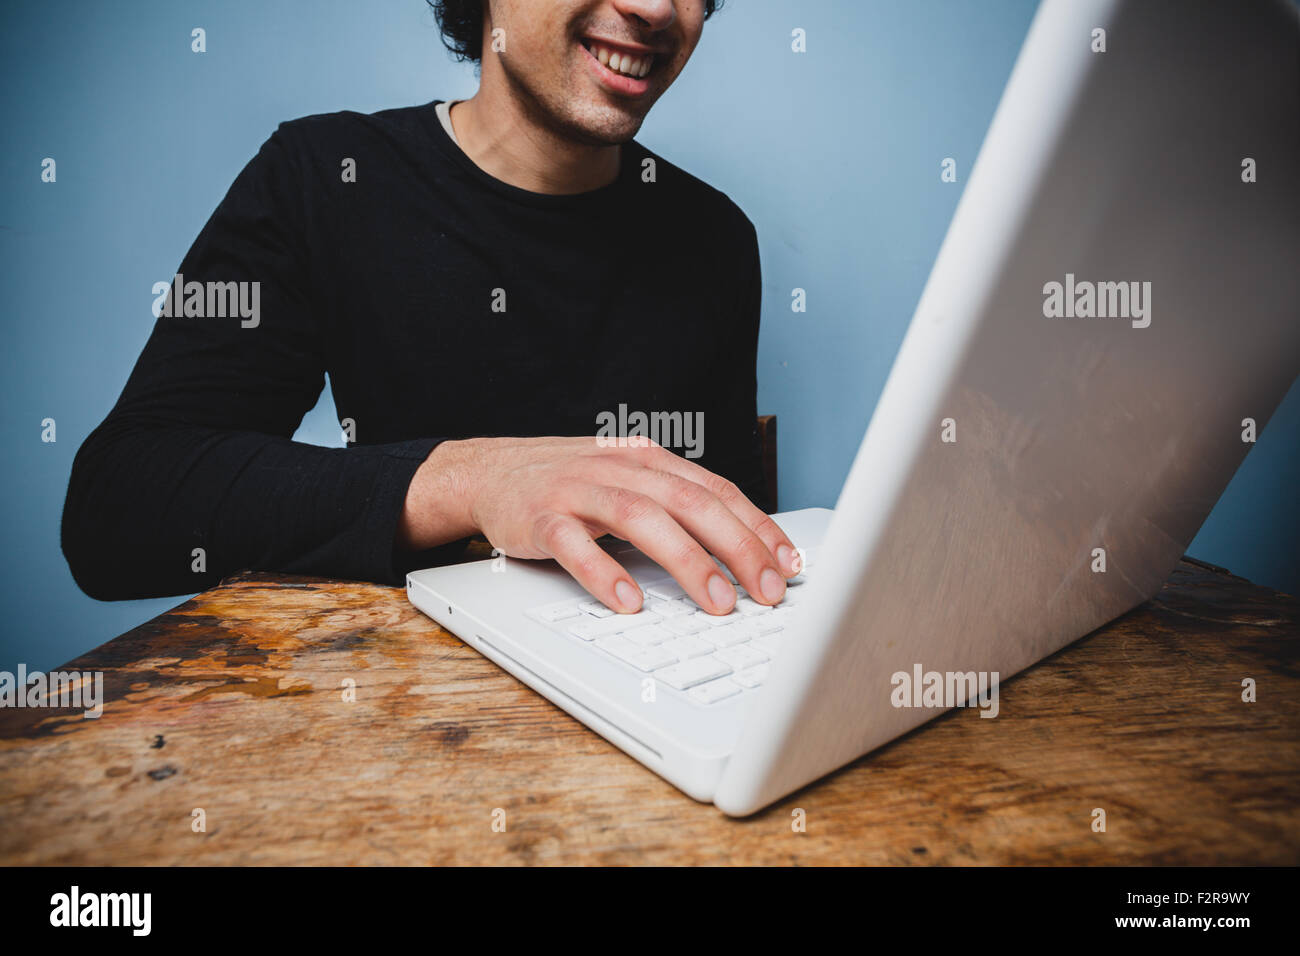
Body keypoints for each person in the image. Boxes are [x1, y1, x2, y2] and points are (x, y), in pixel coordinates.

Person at [62, 0, 800, 619]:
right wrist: (473, 483)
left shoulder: (716, 236)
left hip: (644, 676)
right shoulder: (320, 177)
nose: (656, 7)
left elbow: (727, 523)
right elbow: (118, 507)